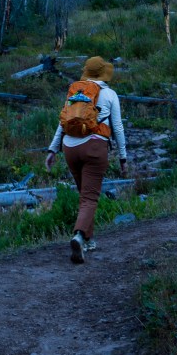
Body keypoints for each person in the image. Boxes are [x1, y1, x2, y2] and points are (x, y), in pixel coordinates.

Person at [45, 56, 127, 264]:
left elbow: (63, 122)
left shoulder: (76, 91)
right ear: (103, 73)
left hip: (70, 148)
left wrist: (52, 149)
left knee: (84, 195)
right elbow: (117, 128)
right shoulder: (110, 94)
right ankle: (79, 236)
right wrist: (123, 157)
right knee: (90, 198)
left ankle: (88, 241)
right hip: (94, 147)